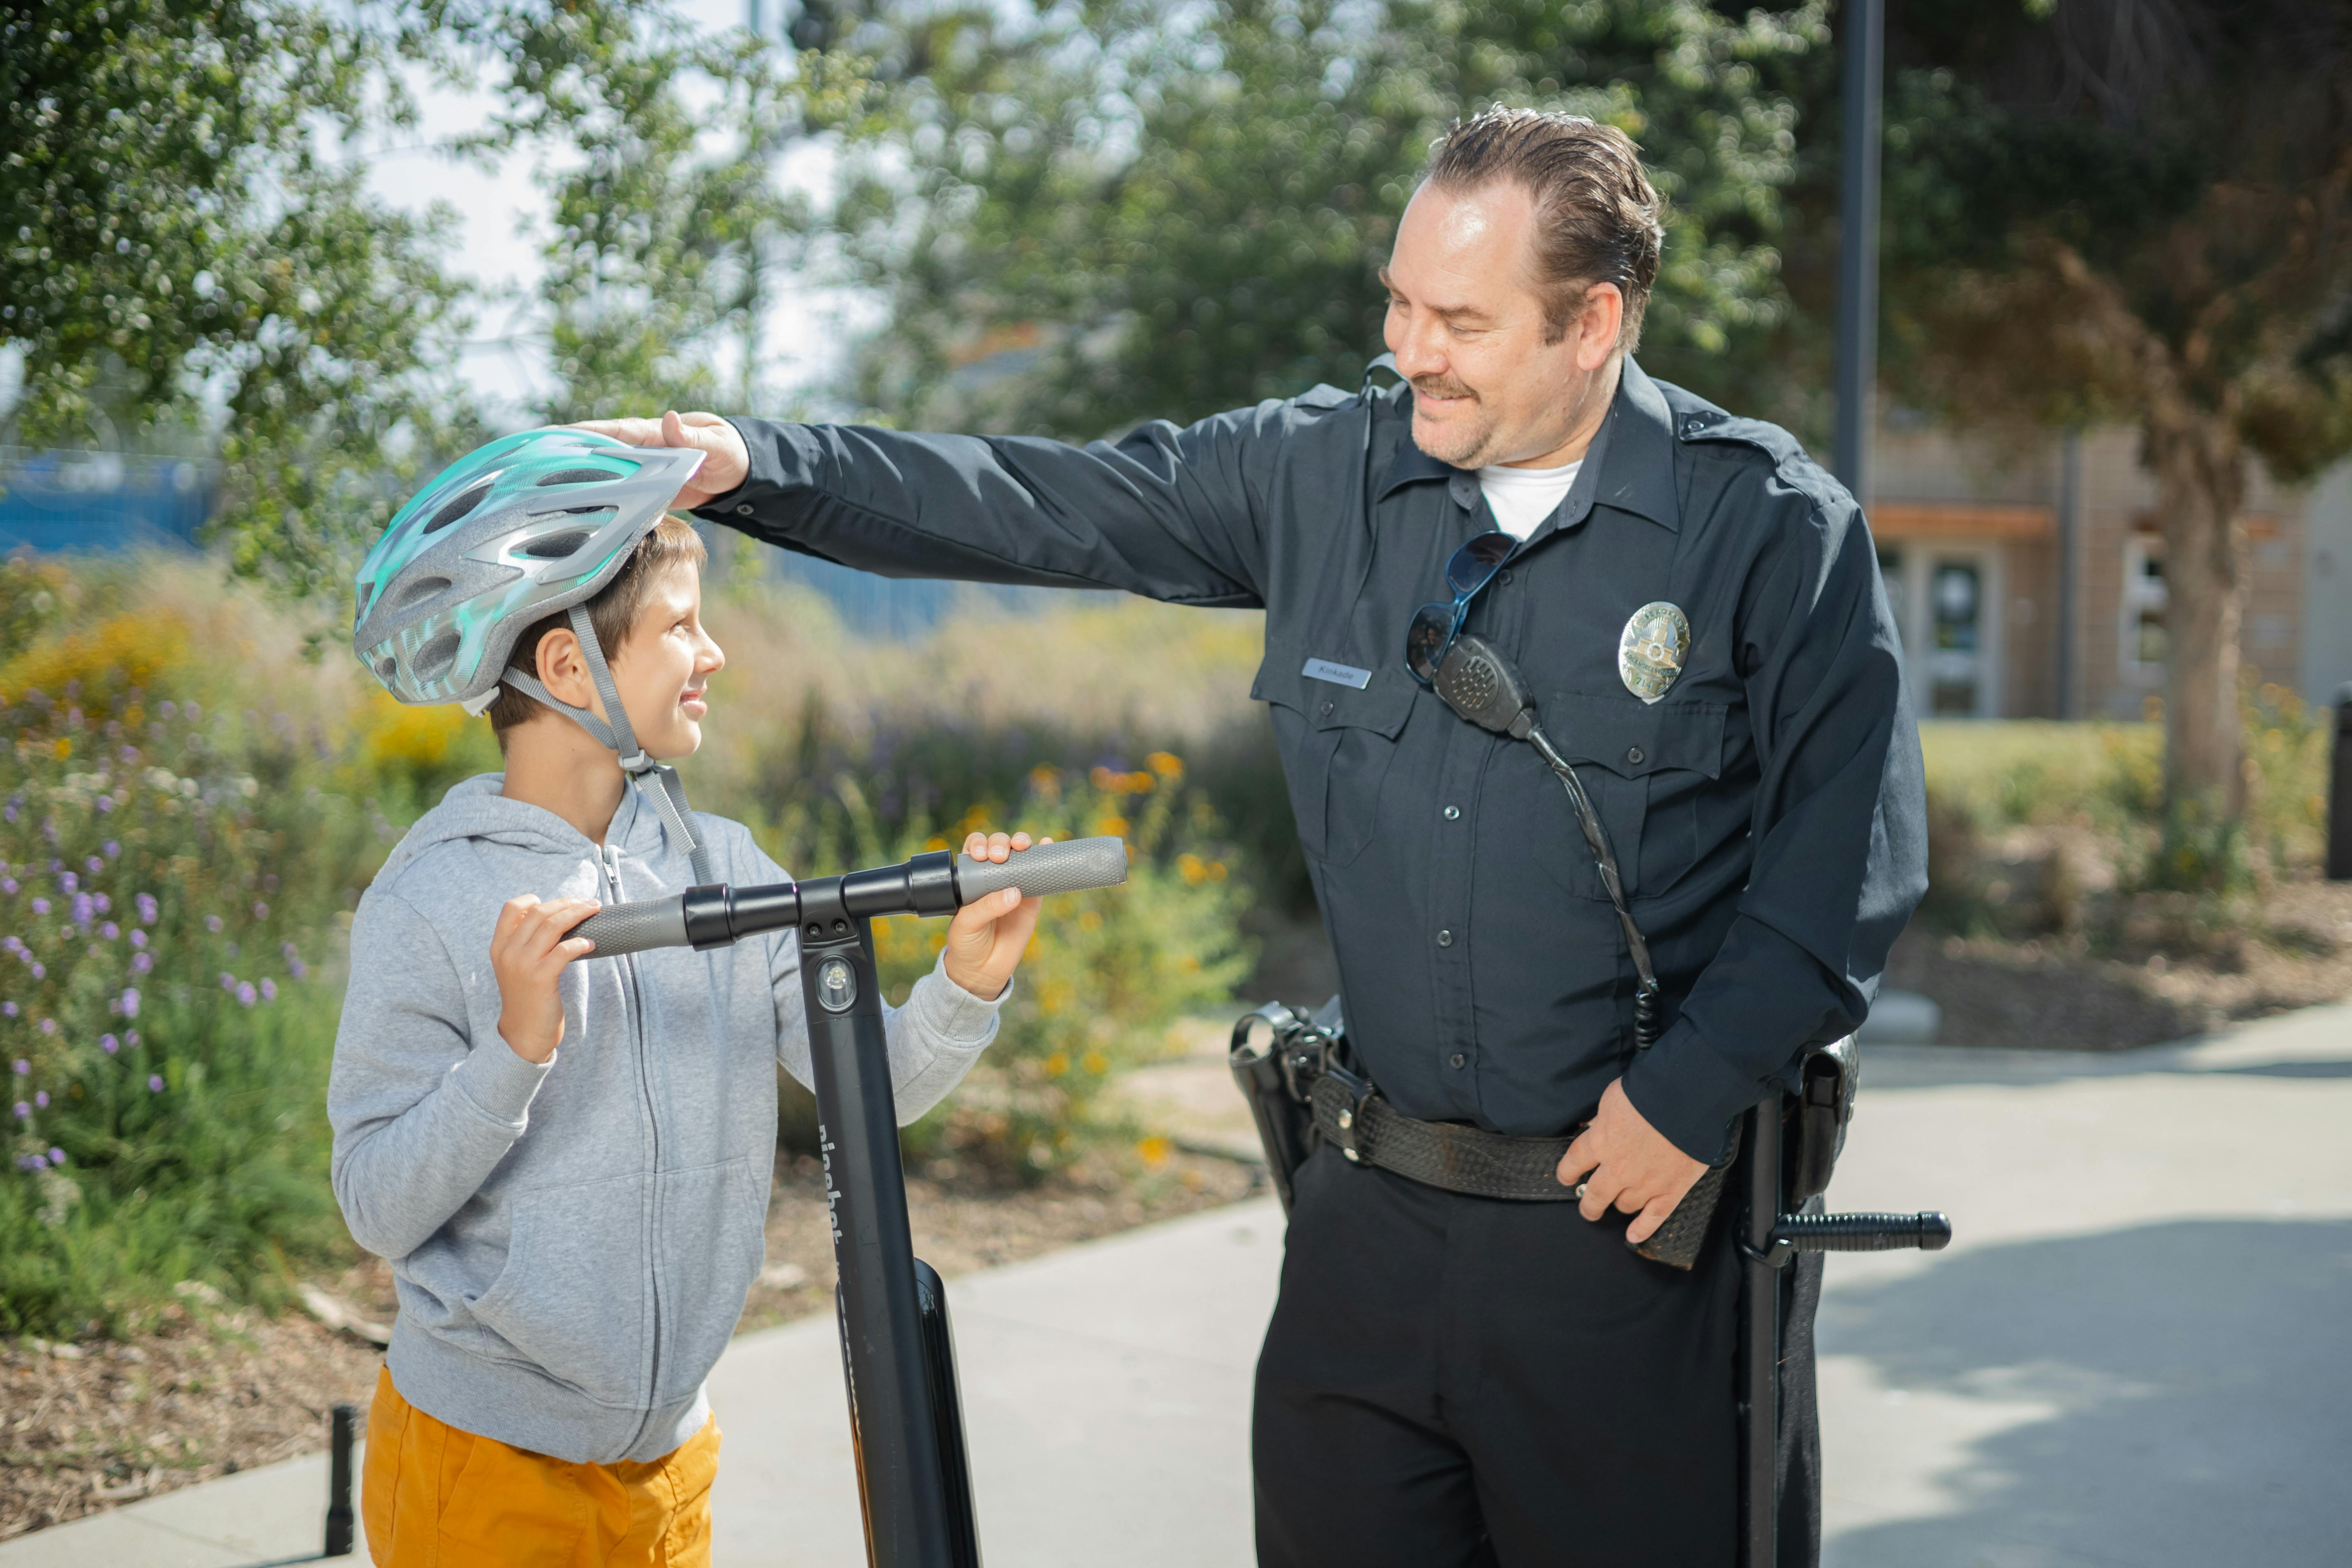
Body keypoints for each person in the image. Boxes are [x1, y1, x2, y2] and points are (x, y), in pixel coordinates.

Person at [583, 108, 1928, 1567]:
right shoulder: (1320, 474)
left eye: (1461, 320)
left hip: (1629, 1246)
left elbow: (1848, 856)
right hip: (1365, 1243)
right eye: (1400, 302)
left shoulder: (1769, 528)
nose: (1413, 347)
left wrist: (1693, 1090)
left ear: (1592, 321)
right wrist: (751, 466)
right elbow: (1043, 502)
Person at [326, 426, 1051, 1567]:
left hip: (669, 1463)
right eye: (679, 627)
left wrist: (966, 980)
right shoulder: (437, 897)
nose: (712, 654)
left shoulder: (723, 866)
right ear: (570, 671)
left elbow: (874, 1092)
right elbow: (375, 1202)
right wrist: (513, 1052)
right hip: (487, 1461)